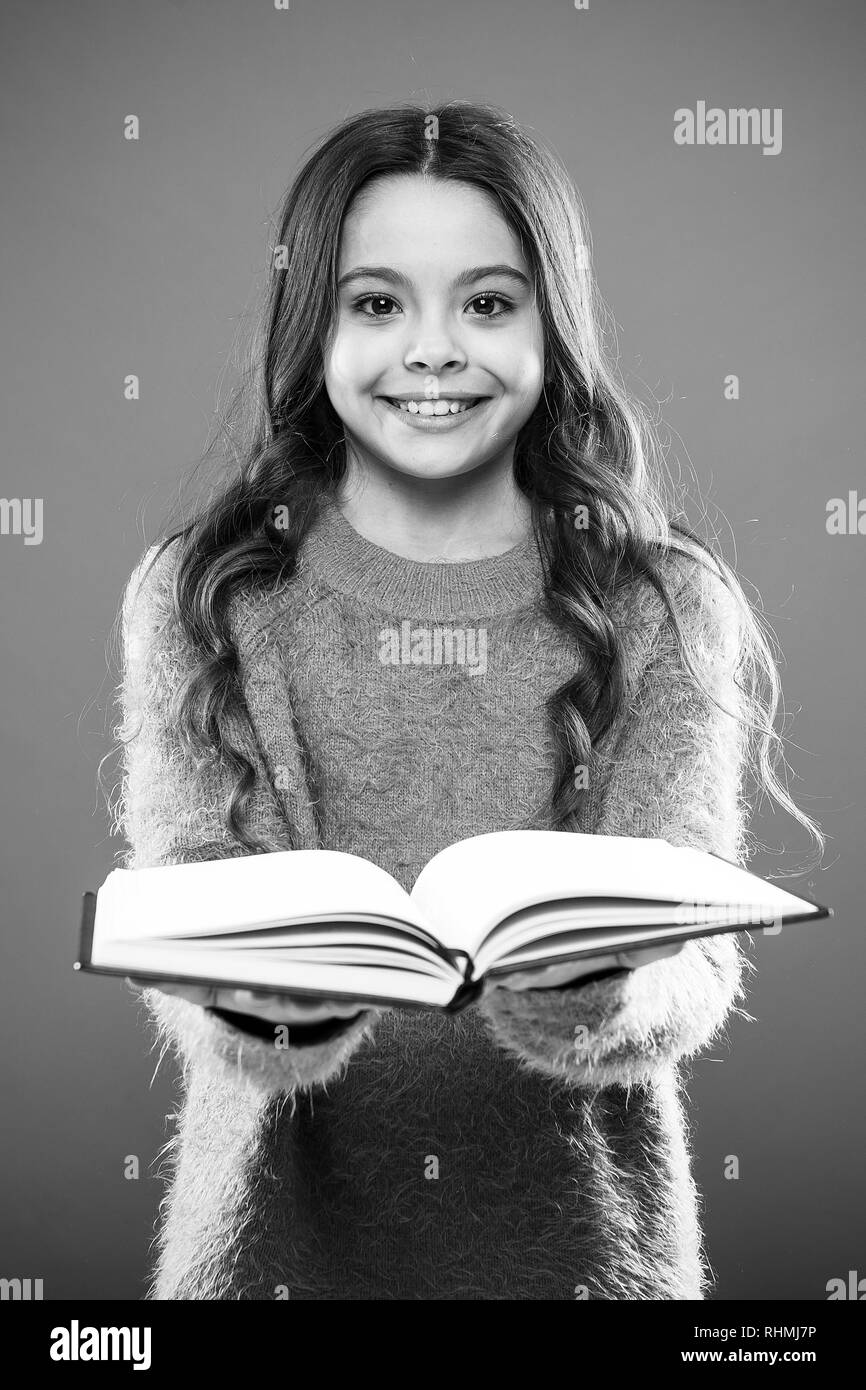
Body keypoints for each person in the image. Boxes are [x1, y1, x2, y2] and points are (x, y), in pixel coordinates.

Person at [112, 101, 823, 1300]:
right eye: (377, 304)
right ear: (313, 327)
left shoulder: (661, 602)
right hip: (271, 1258)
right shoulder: (206, 595)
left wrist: (606, 982)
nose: (432, 350)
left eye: (487, 303)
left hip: (589, 1261)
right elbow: (184, 921)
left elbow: (692, 967)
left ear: (552, 323)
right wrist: (255, 993)